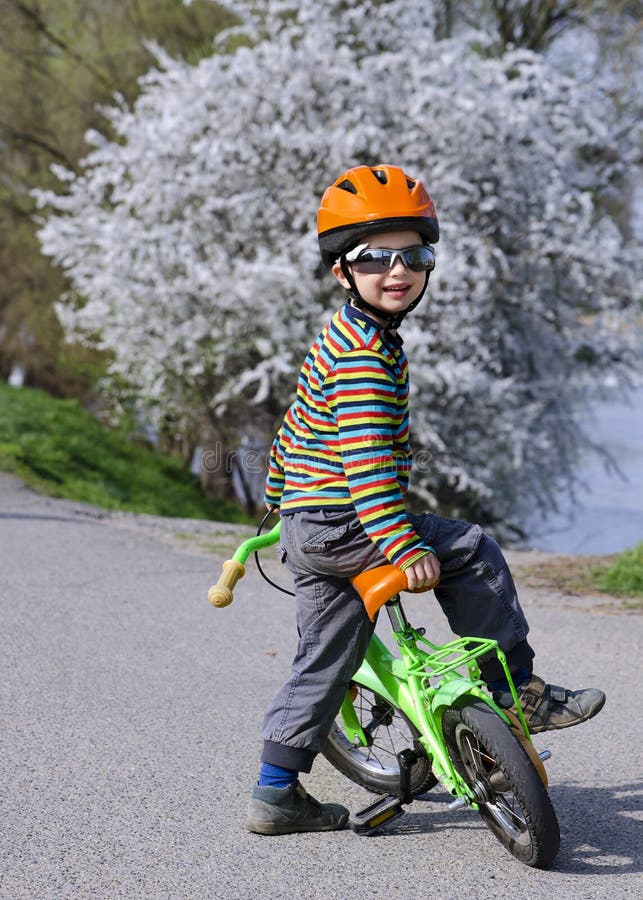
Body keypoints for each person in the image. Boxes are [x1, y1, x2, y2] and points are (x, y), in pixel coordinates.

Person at [246, 164, 605, 836]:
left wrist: (276, 503)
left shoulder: (343, 335)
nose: (397, 271)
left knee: (323, 662)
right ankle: (515, 690)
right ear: (341, 270)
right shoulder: (364, 357)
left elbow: (295, 427)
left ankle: (275, 792)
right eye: (374, 257)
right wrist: (402, 546)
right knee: (470, 548)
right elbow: (366, 468)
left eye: (413, 256)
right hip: (349, 521)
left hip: (309, 525)